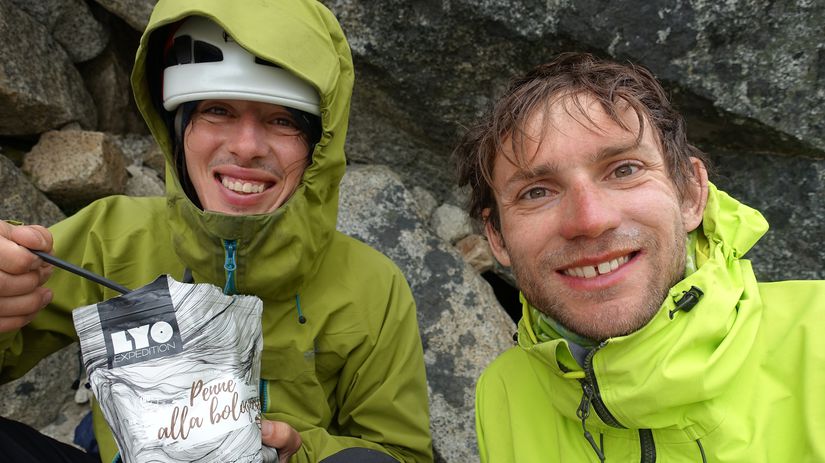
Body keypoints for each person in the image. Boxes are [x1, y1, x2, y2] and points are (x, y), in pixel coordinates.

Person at [0, 1, 433, 462]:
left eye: (283, 120)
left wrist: (298, 453)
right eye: (218, 110)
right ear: (177, 129)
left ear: (318, 147)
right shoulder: (111, 237)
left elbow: (400, 454)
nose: (246, 147)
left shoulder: (373, 286)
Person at [454, 52, 825, 462]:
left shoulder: (818, 332)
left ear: (690, 194)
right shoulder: (503, 393)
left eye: (624, 170)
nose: (589, 220)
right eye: (537, 192)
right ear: (497, 236)